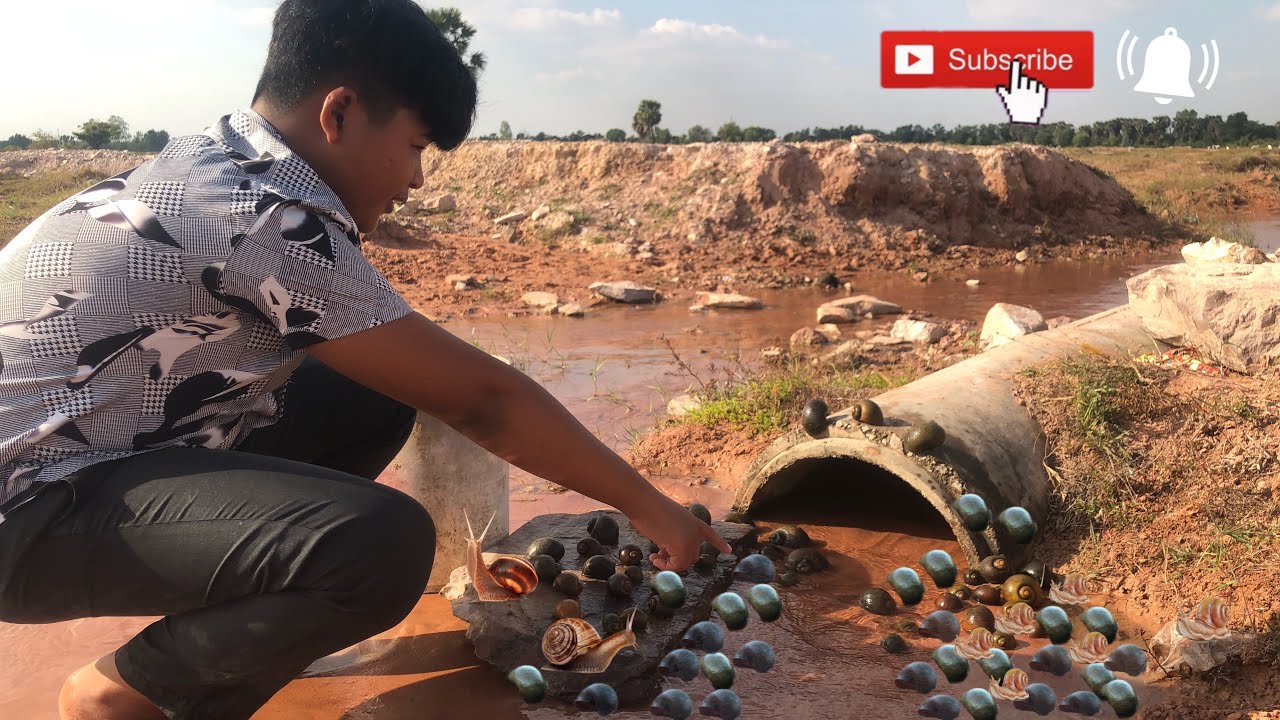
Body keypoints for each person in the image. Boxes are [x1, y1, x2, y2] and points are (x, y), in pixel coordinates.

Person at [0, 1, 731, 718]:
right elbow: (483, 403)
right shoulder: (265, 217)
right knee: (381, 545)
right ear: (340, 113)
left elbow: (419, 361)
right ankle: (125, 696)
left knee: (365, 398)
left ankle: (240, 627)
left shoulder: (213, 164)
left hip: (70, 460)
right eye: (415, 146)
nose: (416, 180)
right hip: (25, 512)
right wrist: (650, 506)